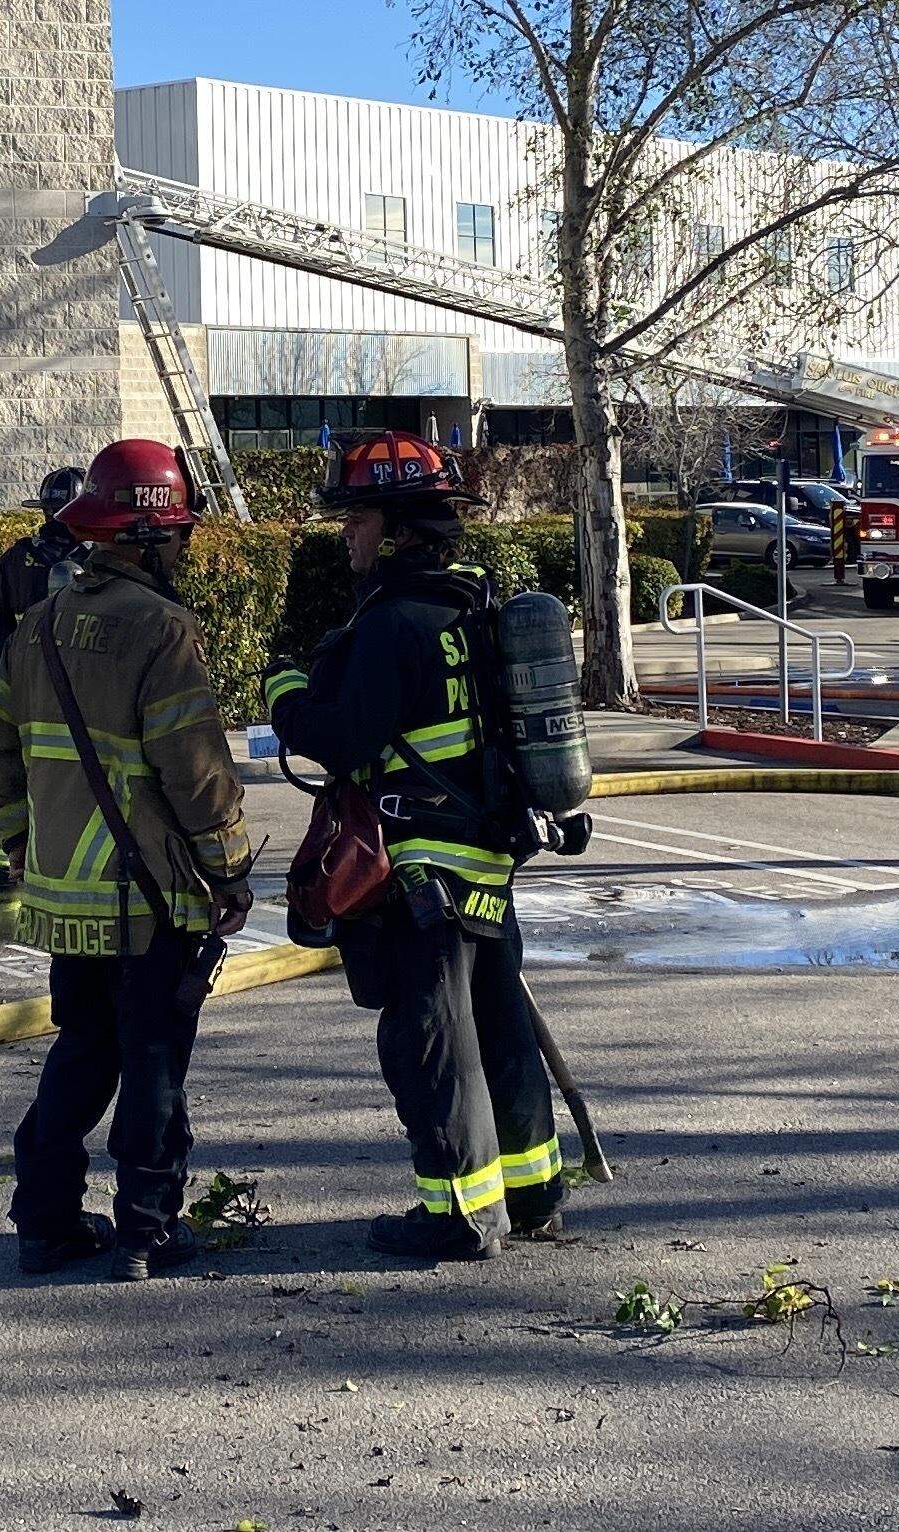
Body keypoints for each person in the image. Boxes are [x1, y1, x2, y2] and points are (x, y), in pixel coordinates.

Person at [265, 432, 565, 1262]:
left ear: (397, 530)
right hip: (487, 860)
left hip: (421, 871)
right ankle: (533, 1195)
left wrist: (283, 688)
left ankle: (459, 1215)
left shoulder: (392, 623)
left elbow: (342, 739)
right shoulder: (473, 608)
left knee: (432, 1045)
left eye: (357, 519)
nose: (346, 536)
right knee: (501, 1028)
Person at [0, 437, 255, 1281]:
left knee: (82, 1053)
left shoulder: (39, 626)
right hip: (150, 900)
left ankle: (46, 1222)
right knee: (154, 1062)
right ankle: (146, 1230)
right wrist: (231, 870)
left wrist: (19, 840)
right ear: (150, 536)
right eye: (183, 534)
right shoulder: (162, 630)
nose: (187, 549)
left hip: (67, 904)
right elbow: (196, 774)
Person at [0, 464, 91, 891]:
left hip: (19, 687)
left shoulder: (18, 557)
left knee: (8, 771)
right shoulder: (97, 562)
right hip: (78, 691)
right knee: (69, 776)